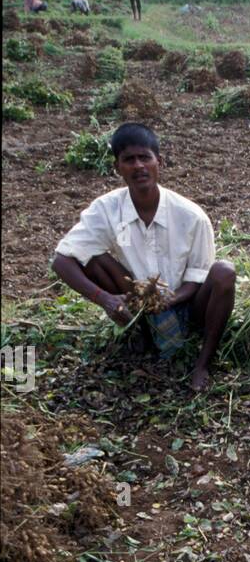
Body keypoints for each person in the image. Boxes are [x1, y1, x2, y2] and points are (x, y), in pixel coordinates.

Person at [52, 122, 235, 392]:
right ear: (117, 168)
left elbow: (197, 279)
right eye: (128, 160)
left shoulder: (190, 216)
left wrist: (170, 299)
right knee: (89, 256)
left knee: (224, 272)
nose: (138, 166)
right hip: (137, 305)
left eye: (144, 158)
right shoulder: (106, 209)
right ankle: (142, 335)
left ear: (158, 162)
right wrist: (103, 298)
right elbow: (61, 260)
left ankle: (202, 364)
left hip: (188, 304)